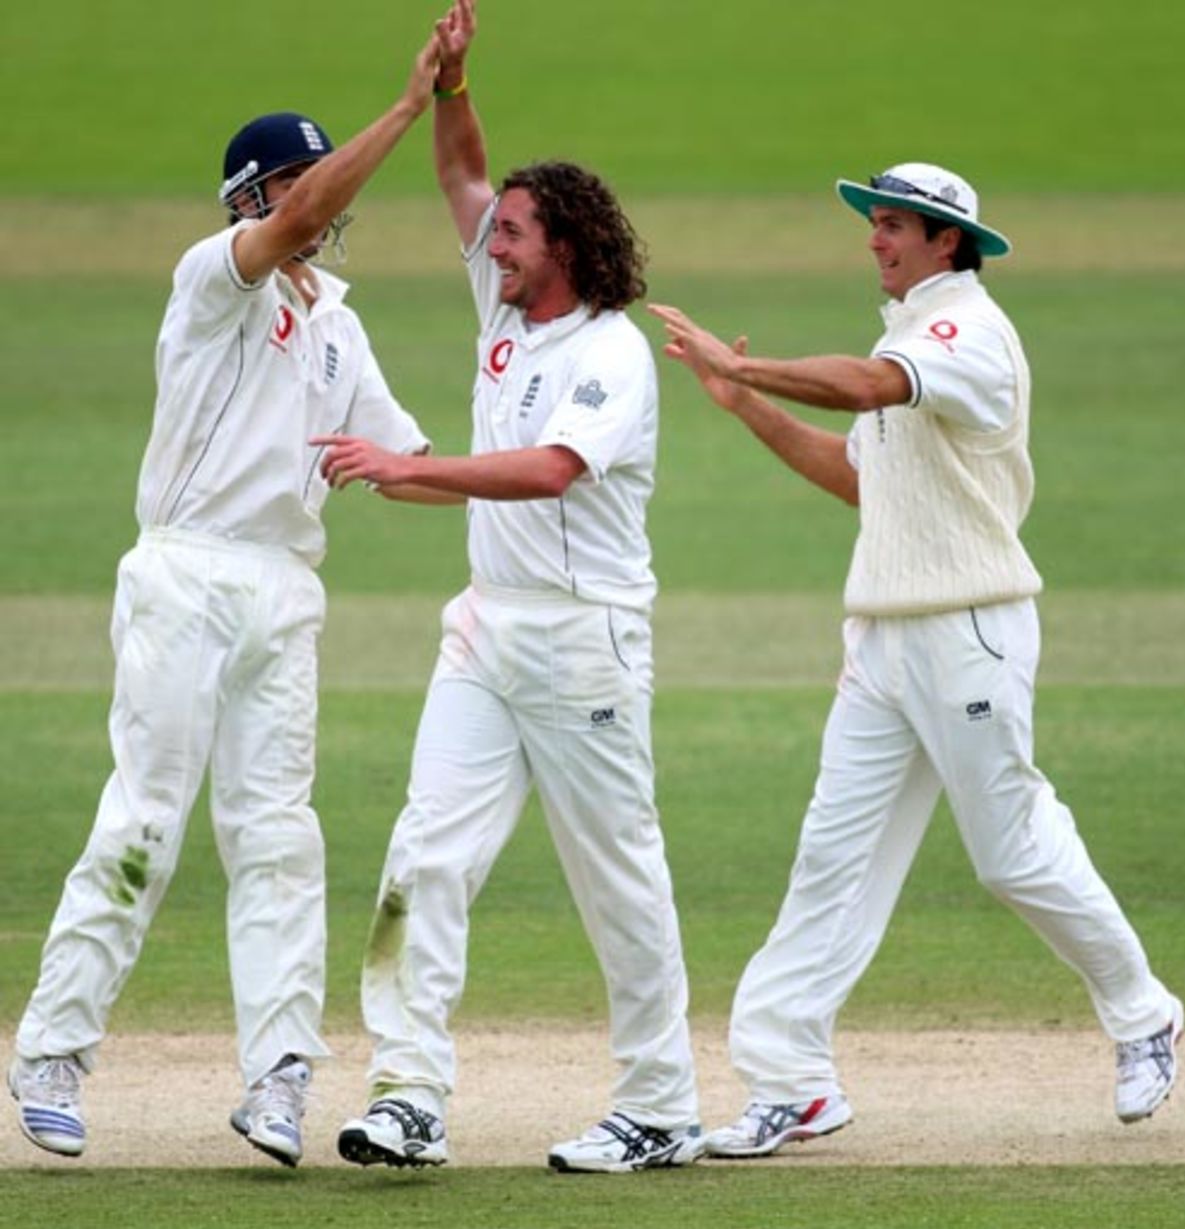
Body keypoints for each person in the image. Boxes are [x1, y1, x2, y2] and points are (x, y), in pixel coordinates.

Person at [649, 163, 1183, 1158]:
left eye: (891, 225)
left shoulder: (966, 331)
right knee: (831, 856)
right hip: (885, 636)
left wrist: (752, 365)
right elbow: (858, 476)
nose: (873, 240)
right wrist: (740, 401)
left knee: (1010, 848)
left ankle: (1142, 1009)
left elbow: (870, 384)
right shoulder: (907, 334)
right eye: (875, 223)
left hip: (968, 627)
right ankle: (793, 1078)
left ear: (947, 240)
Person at [7, 37, 441, 1167]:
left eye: (318, 179)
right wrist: (401, 111)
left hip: (286, 590)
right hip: (186, 570)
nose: (314, 203)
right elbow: (292, 231)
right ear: (251, 199)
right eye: (296, 183)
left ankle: (280, 1074)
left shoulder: (341, 326)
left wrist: (549, 475)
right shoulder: (212, 277)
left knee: (279, 840)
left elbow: (410, 462)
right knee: (146, 817)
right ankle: (53, 1048)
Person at [314, 0, 703, 1175]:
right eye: (499, 231)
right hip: (486, 635)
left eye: (518, 232)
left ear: (569, 249)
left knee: (617, 874)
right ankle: (408, 1094)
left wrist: (407, 462)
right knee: (425, 853)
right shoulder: (501, 302)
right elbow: (464, 172)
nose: (493, 241)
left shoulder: (611, 354)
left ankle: (661, 1104)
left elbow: (548, 471)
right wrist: (448, 84)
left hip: (588, 643)